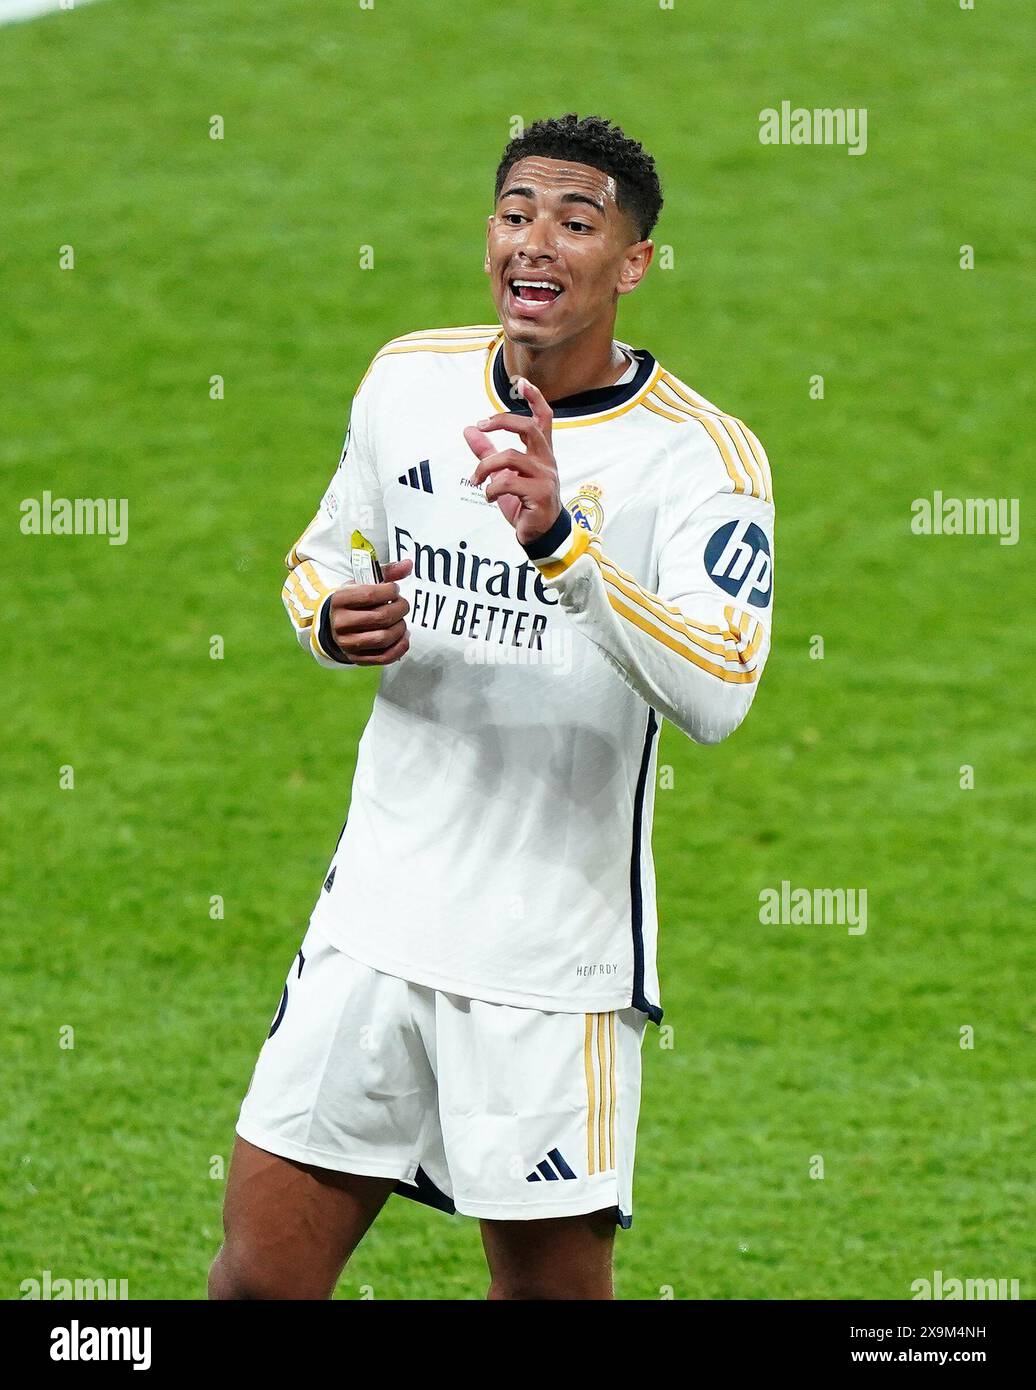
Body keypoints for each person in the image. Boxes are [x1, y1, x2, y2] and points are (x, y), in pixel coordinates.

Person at [209, 113, 775, 1301]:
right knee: (256, 1284)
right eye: (518, 213)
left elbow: (721, 690)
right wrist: (330, 616)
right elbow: (321, 554)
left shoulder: (705, 459)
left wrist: (564, 544)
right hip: (368, 926)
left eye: (577, 222)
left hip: (548, 965)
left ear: (632, 263)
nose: (537, 242)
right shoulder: (406, 379)